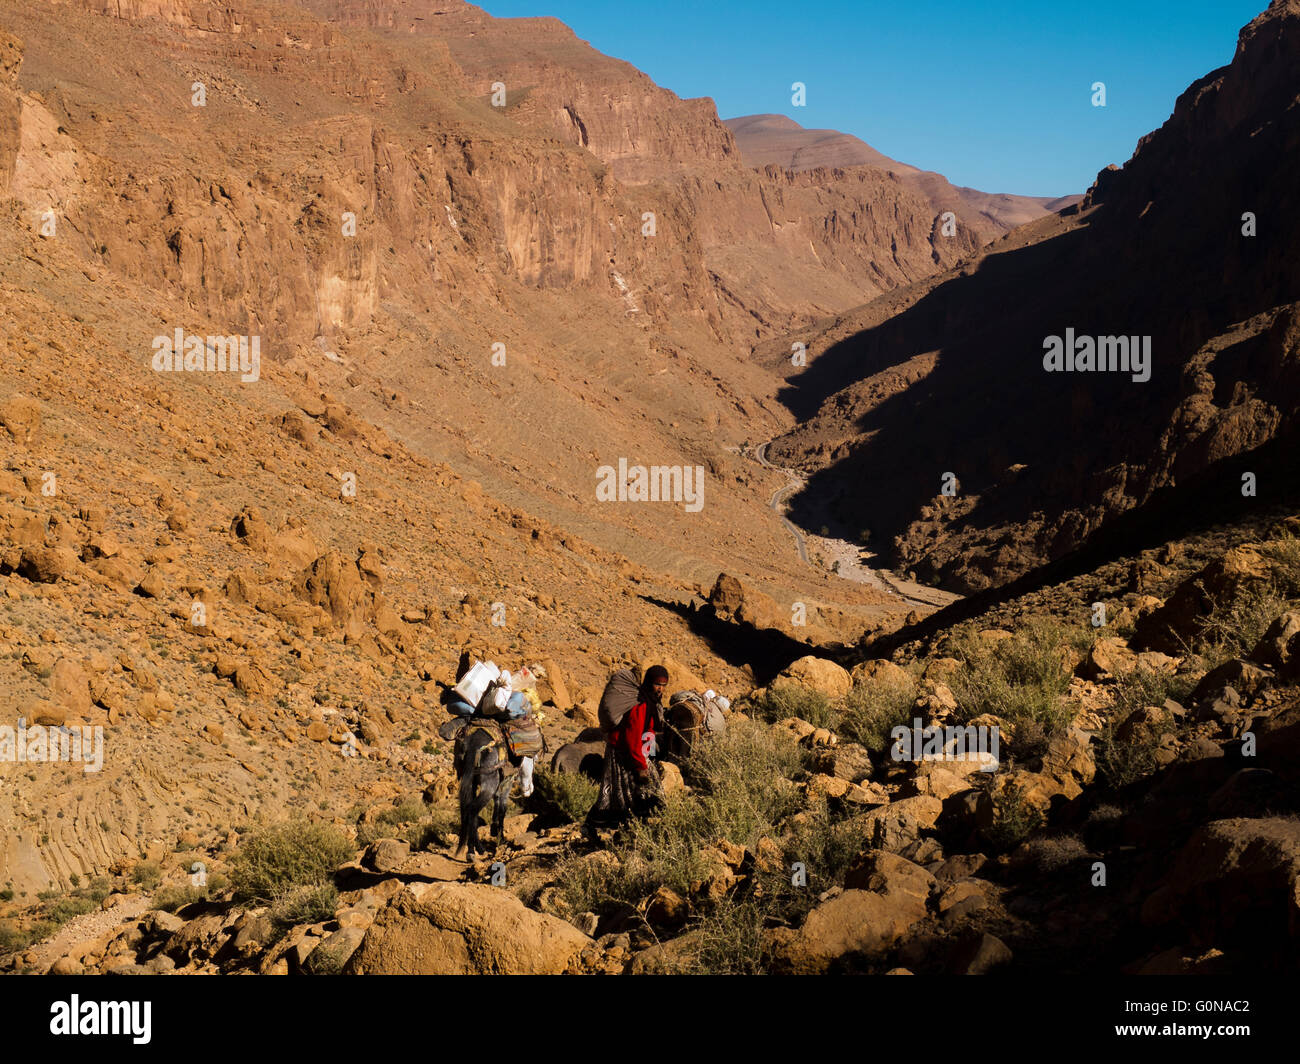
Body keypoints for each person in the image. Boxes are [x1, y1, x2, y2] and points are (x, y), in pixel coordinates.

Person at [586, 665, 669, 830]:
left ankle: (634, 829)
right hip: (622, 752)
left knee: (644, 791)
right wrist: (640, 766)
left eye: (664, 685)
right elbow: (632, 738)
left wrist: (649, 755)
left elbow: (649, 730)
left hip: (634, 752)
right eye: (657, 684)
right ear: (648, 682)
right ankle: (603, 828)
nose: (660, 688)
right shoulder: (640, 706)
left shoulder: (652, 703)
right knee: (620, 794)